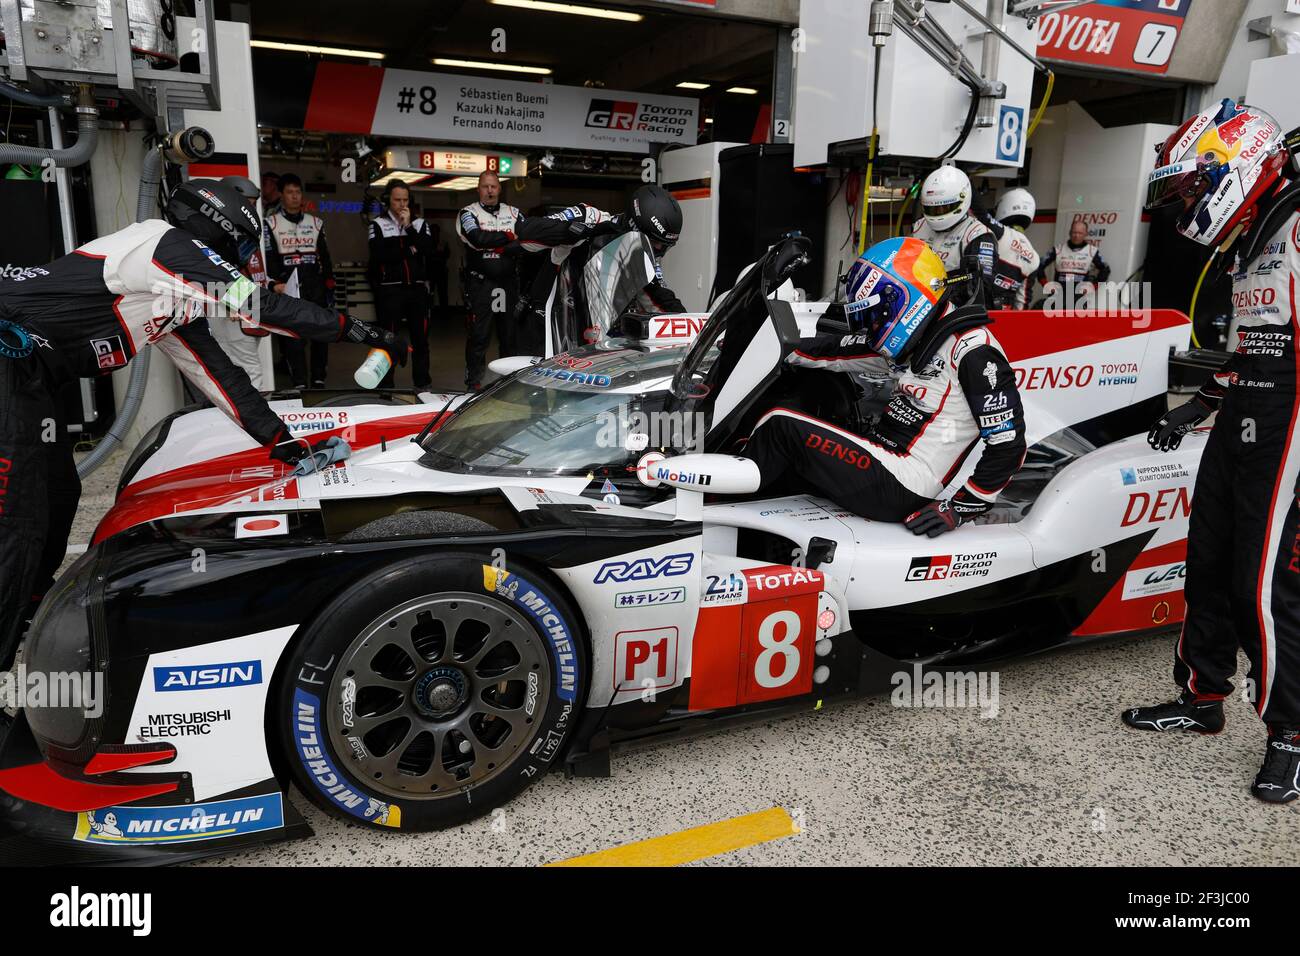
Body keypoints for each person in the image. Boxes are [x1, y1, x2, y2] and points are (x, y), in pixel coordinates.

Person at [0, 178, 404, 669]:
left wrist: (286, 445)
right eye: (235, 244)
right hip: (9, 350)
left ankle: (23, 624)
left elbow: (221, 379)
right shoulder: (164, 244)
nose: (236, 257)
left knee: (57, 498)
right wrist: (359, 329)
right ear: (217, 226)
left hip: (32, 374)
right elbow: (259, 307)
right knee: (19, 522)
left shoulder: (174, 298)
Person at [1124, 99, 1300, 803]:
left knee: (1265, 582)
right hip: (1247, 411)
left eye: (1194, 184)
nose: (1186, 200)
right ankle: (1202, 697)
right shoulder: (1252, 235)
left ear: (1238, 166)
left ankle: (1290, 734)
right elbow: (1250, 343)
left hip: (1291, 416)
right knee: (1209, 558)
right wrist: (1203, 403)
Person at [741, 236, 1026, 532]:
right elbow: (833, 351)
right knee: (812, 407)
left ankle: (708, 499)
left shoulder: (974, 352)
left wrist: (959, 508)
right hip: (883, 457)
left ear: (905, 299)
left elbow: (1009, 445)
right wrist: (771, 346)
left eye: (875, 315)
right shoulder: (923, 337)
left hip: (905, 480)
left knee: (780, 426)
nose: (870, 325)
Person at [517, 185, 686, 355]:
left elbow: (663, 300)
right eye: (656, 243)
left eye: (665, 246)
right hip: (548, 326)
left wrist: (693, 326)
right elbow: (526, 232)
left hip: (590, 342)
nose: (659, 250)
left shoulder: (640, 258)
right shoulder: (591, 216)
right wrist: (587, 231)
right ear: (635, 227)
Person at [264, 172, 335, 388]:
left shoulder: (316, 222)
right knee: (293, 336)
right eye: (289, 192)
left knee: (321, 332)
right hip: (288, 287)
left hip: (315, 286)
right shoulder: (271, 223)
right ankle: (299, 382)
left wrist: (329, 286)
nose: (294, 196)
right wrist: (274, 284)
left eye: (297, 192)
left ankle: (318, 377)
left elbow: (326, 258)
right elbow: (269, 258)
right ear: (282, 195)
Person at [456, 170, 523, 390]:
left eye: (493, 186)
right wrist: (507, 238)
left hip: (508, 284)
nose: (490, 191)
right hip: (481, 284)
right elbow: (476, 237)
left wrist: (495, 243)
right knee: (479, 335)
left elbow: (525, 242)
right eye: (485, 186)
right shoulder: (467, 213)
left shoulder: (514, 213)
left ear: (500, 189)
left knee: (509, 336)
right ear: (478, 189)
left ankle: (510, 382)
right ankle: (473, 382)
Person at [368, 181, 433, 389]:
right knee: (388, 340)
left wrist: (408, 228)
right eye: (397, 200)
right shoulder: (377, 224)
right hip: (390, 290)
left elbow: (428, 251)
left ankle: (423, 385)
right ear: (388, 199)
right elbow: (380, 256)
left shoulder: (420, 224)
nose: (402, 204)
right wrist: (411, 250)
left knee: (421, 340)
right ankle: (385, 386)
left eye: (405, 200)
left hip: (417, 289)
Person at [911, 165, 997, 307]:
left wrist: (945, 296)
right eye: (932, 208)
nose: (937, 213)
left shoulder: (978, 235)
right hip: (916, 301)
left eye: (943, 208)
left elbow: (982, 288)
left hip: (952, 311)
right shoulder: (919, 227)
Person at [1032, 219, 1111, 301]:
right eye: (1074, 232)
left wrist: (1093, 287)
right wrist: (1046, 285)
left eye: (1080, 233)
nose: (1076, 235)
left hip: (1080, 298)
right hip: (1058, 296)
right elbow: (1039, 265)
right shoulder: (1058, 249)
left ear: (1086, 234)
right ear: (1070, 233)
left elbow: (1105, 269)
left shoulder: (1092, 251)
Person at [988, 188, 1041, 310]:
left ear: (1004, 207)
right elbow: (1022, 302)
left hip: (976, 310)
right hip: (1004, 316)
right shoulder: (1035, 257)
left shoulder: (997, 232)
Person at [427, 221, 451, 325]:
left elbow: (447, 255)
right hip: (430, 272)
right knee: (429, 294)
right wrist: (437, 254)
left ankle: (444, 314)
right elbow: (428, 256)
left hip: (441, 272)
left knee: (443, 294)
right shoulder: (427, 242)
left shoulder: (443, 242)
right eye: (433, 231)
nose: (435, 233)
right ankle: (428, 313)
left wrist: (437, 254)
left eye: (437, 231)